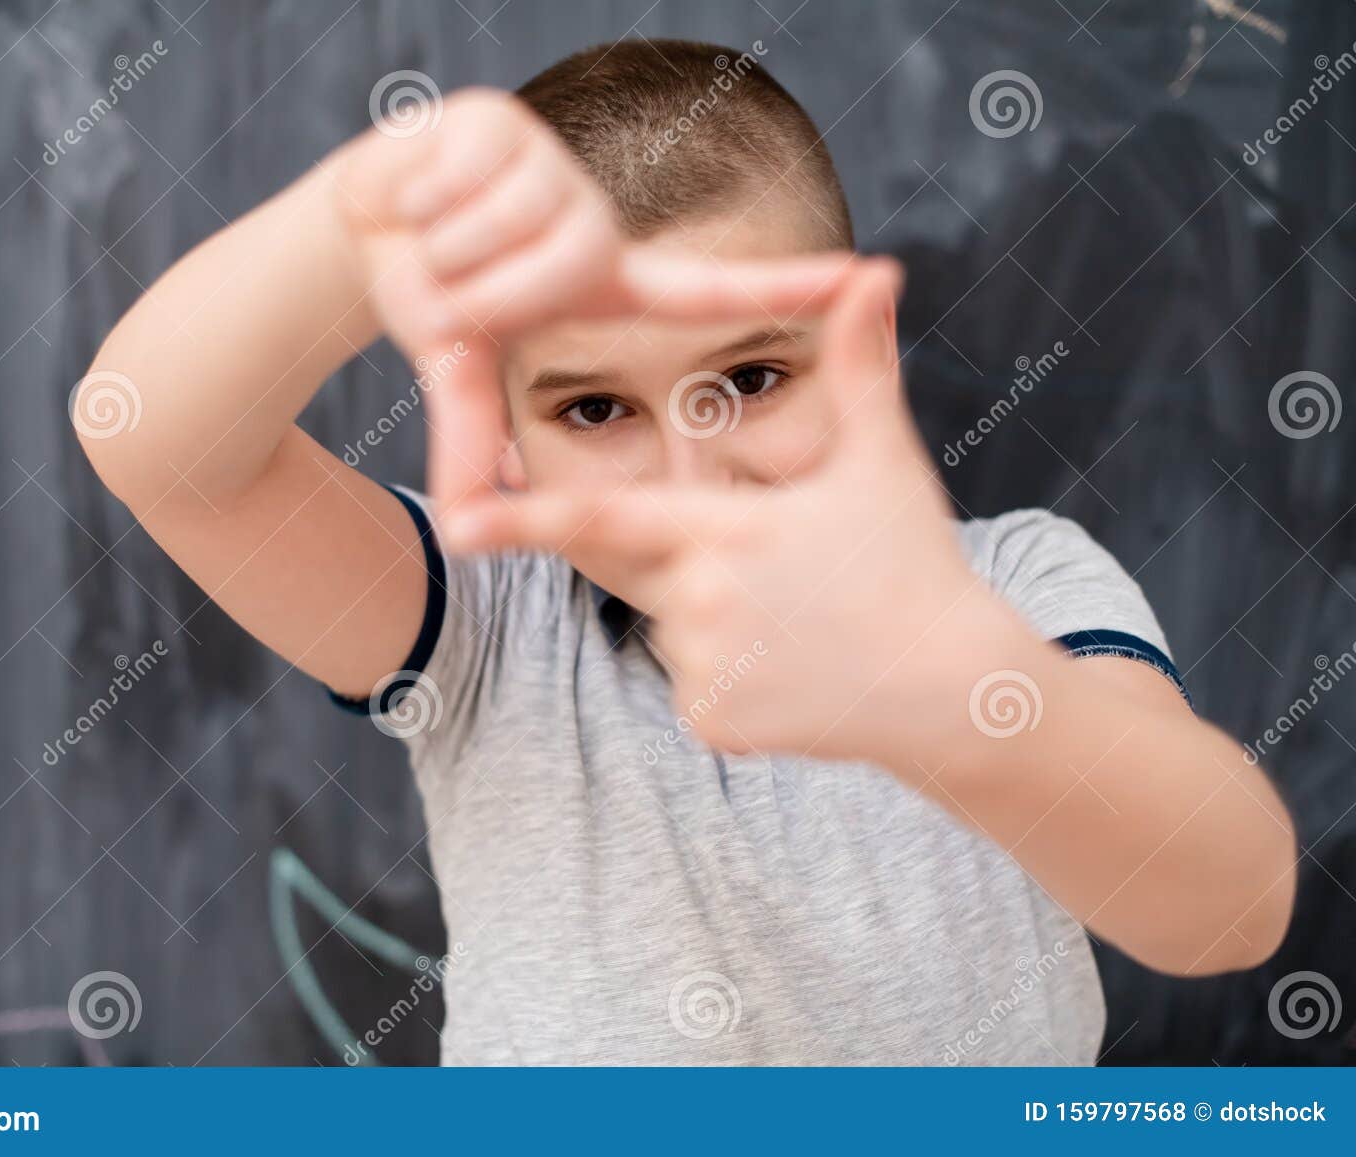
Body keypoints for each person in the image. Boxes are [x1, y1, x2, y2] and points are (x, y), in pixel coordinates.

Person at [76, 39, 1296, 1064]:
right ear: (503, 430)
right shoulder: (486, 627)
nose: (686, 470)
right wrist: (358, 221)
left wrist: (947, 695)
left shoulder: (1018, 586)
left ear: (863, 348)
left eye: (750, 377)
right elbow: (157, 438)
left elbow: (1228, 904)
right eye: (594, 410)